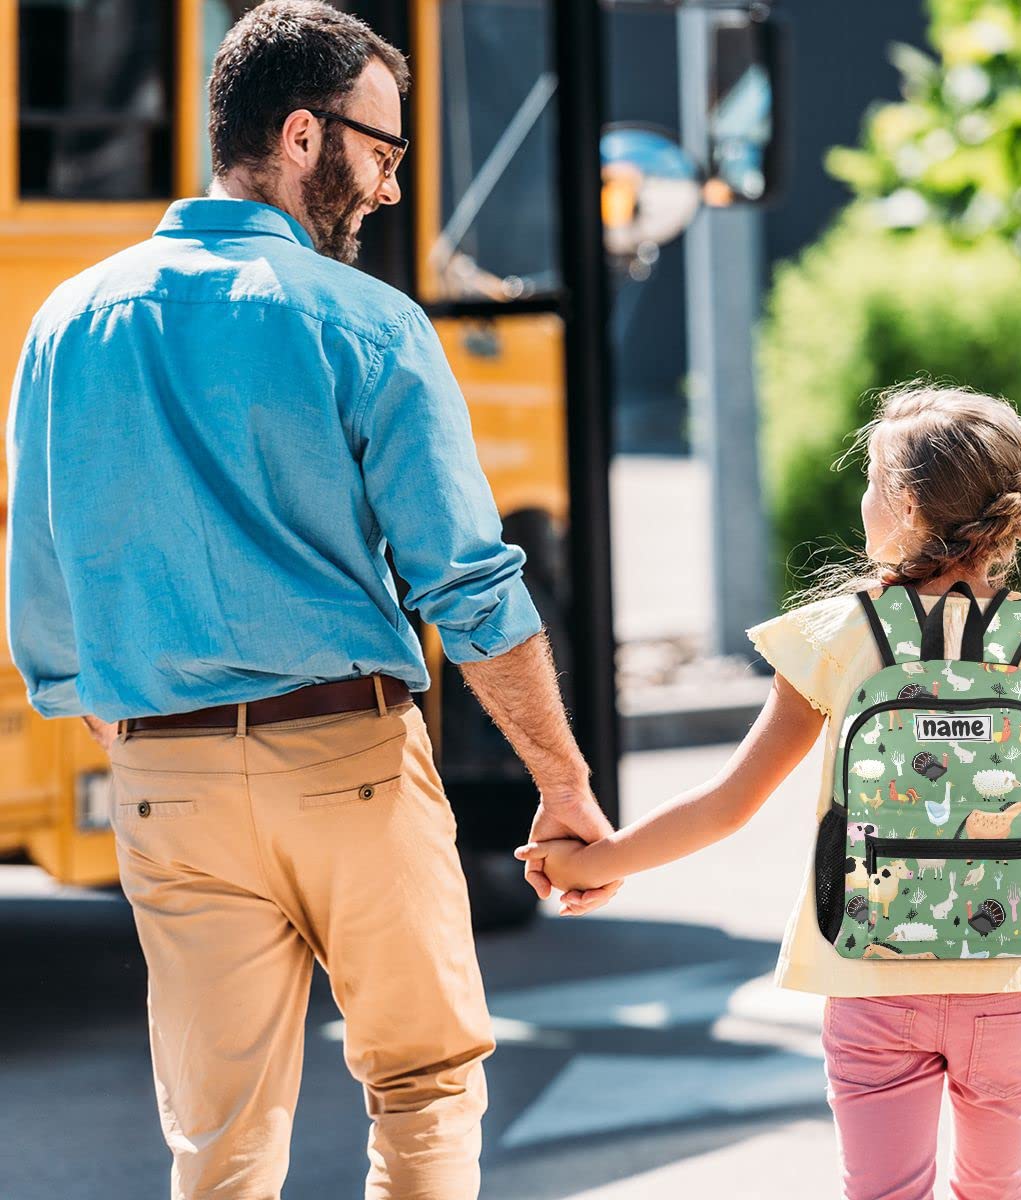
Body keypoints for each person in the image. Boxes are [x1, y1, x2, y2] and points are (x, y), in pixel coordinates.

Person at [5, 3, 618, 1197]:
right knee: (425, 1085)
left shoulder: (66, 322)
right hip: (346, 760)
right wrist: (561, 783)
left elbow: (43, 576)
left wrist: (135, 731)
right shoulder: (367, 322)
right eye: (382, 151)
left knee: (219, 1139)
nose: (388, 187)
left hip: (163, 782)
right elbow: (468, 584)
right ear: (301, 133)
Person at [518, 383, 1021, 1199]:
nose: (865, 498)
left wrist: (591, 864)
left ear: (906, 505)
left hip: (872, 978)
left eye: (874, 481)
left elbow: (729, 802)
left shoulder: (840, 635)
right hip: (1011, 986)